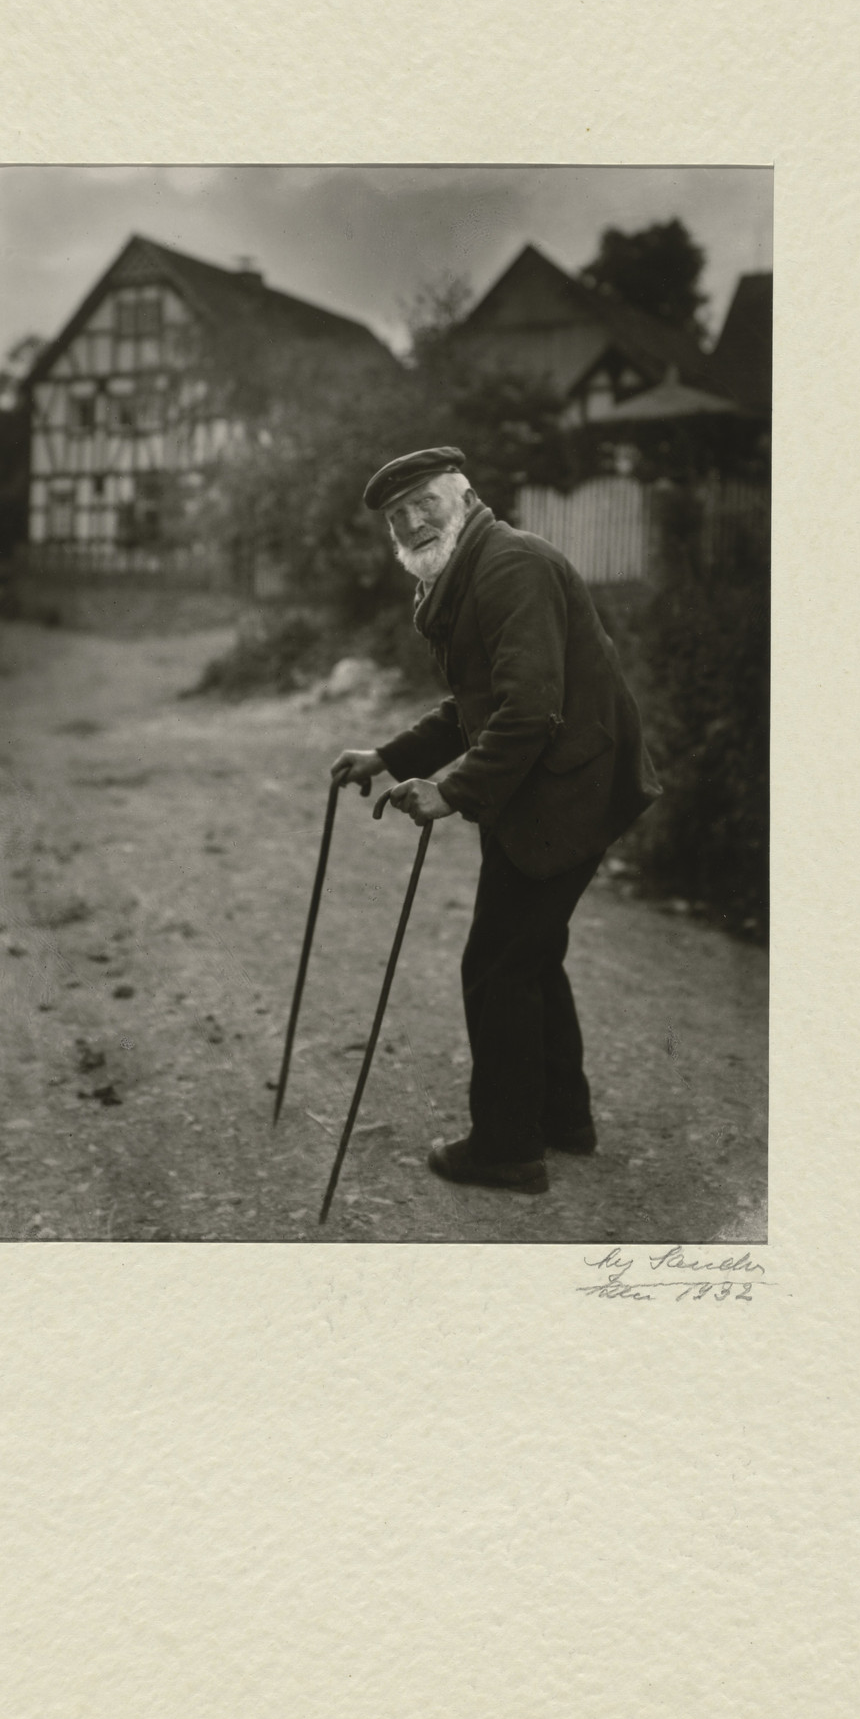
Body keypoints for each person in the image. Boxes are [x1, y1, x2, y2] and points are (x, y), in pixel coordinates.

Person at [331, 445, 660, 1194]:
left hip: (567, 790)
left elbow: (529, 710)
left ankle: (507, 1148)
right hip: (547, 786)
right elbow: (473, 705)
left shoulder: (509, 567)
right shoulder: (467, 571)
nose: (413, 521)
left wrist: (451, 792)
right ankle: (561, 1119)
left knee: (498, 966)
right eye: (397, 514)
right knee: (529, 954)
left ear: (463, 494)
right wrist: (387, 756)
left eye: (425, 501)